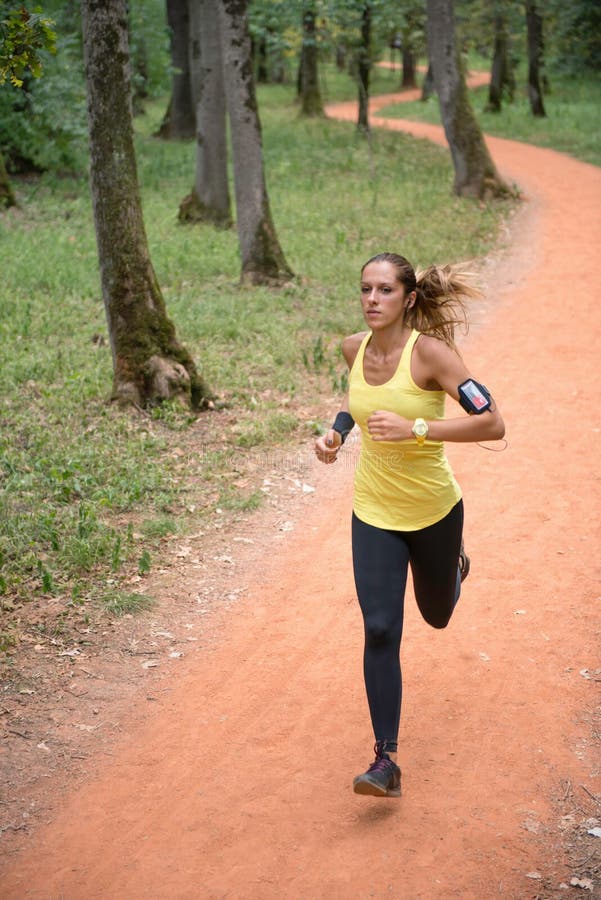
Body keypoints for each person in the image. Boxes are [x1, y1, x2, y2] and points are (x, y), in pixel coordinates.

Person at [314, 252, 505, 798]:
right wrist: (337, 434)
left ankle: (454, 566)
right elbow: (356, 400)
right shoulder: (353, 348)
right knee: (380, 628)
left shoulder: (432, 355)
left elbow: (492, 422)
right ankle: (385, 760)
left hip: (434, 511)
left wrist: (417, 427)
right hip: (374, 511)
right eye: (365, 289)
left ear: (409, 298)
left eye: (385, 291)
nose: (372, 300)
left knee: (437, 615)